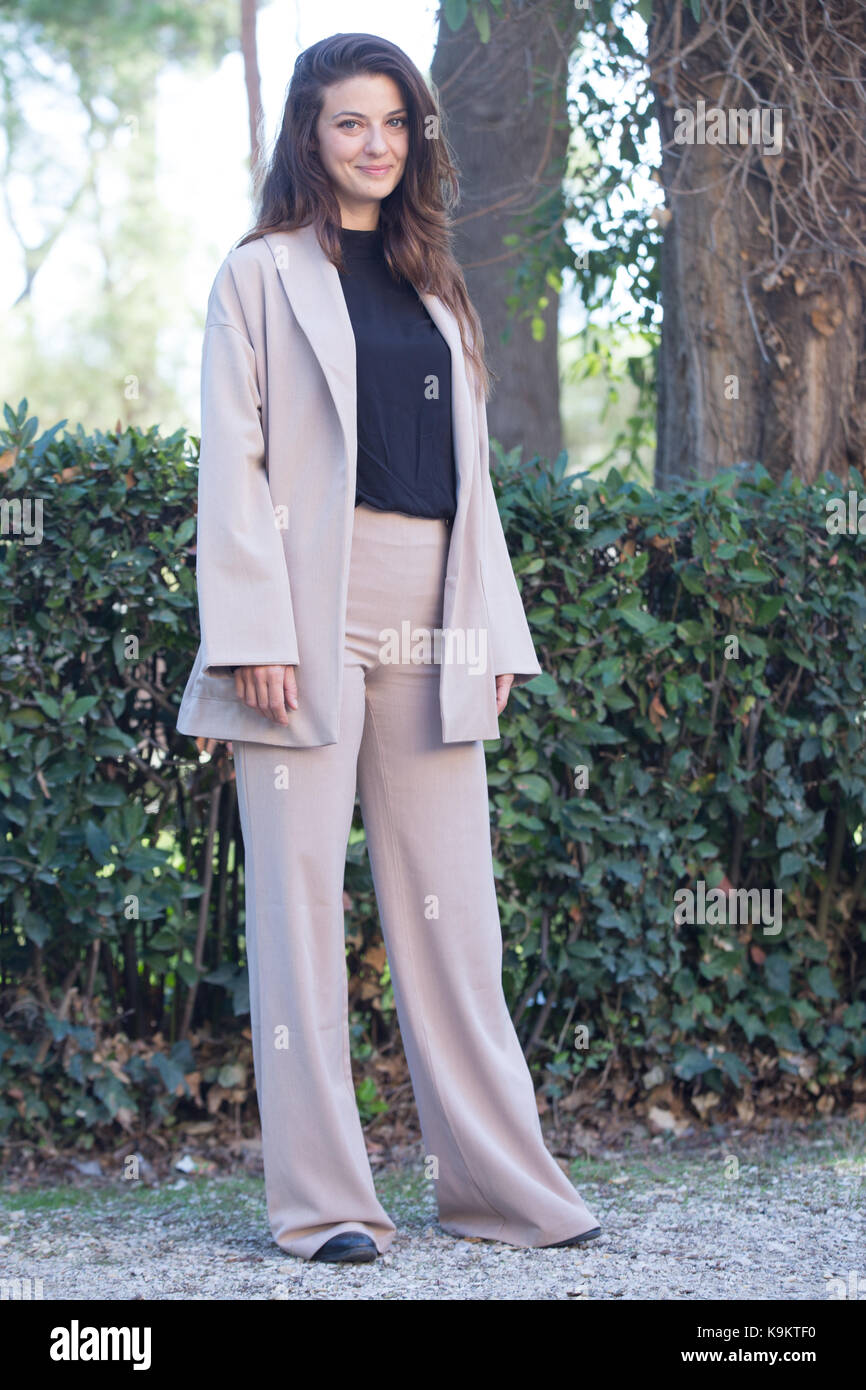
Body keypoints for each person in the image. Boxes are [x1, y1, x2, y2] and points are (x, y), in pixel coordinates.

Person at [175, 32, 601, 1264]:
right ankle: (324, 1206)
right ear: (309, 133)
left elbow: (471, 479)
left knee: (454, 912)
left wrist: (495, 628)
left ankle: (500, 1189)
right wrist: (254, 628)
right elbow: (234, 462)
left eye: (395, 123)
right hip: (305, 605)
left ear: (416, 140)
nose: (375, 143)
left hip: (432, 602)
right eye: (350, 122)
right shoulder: (256, 276)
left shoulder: (434, 279)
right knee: (298, 909)